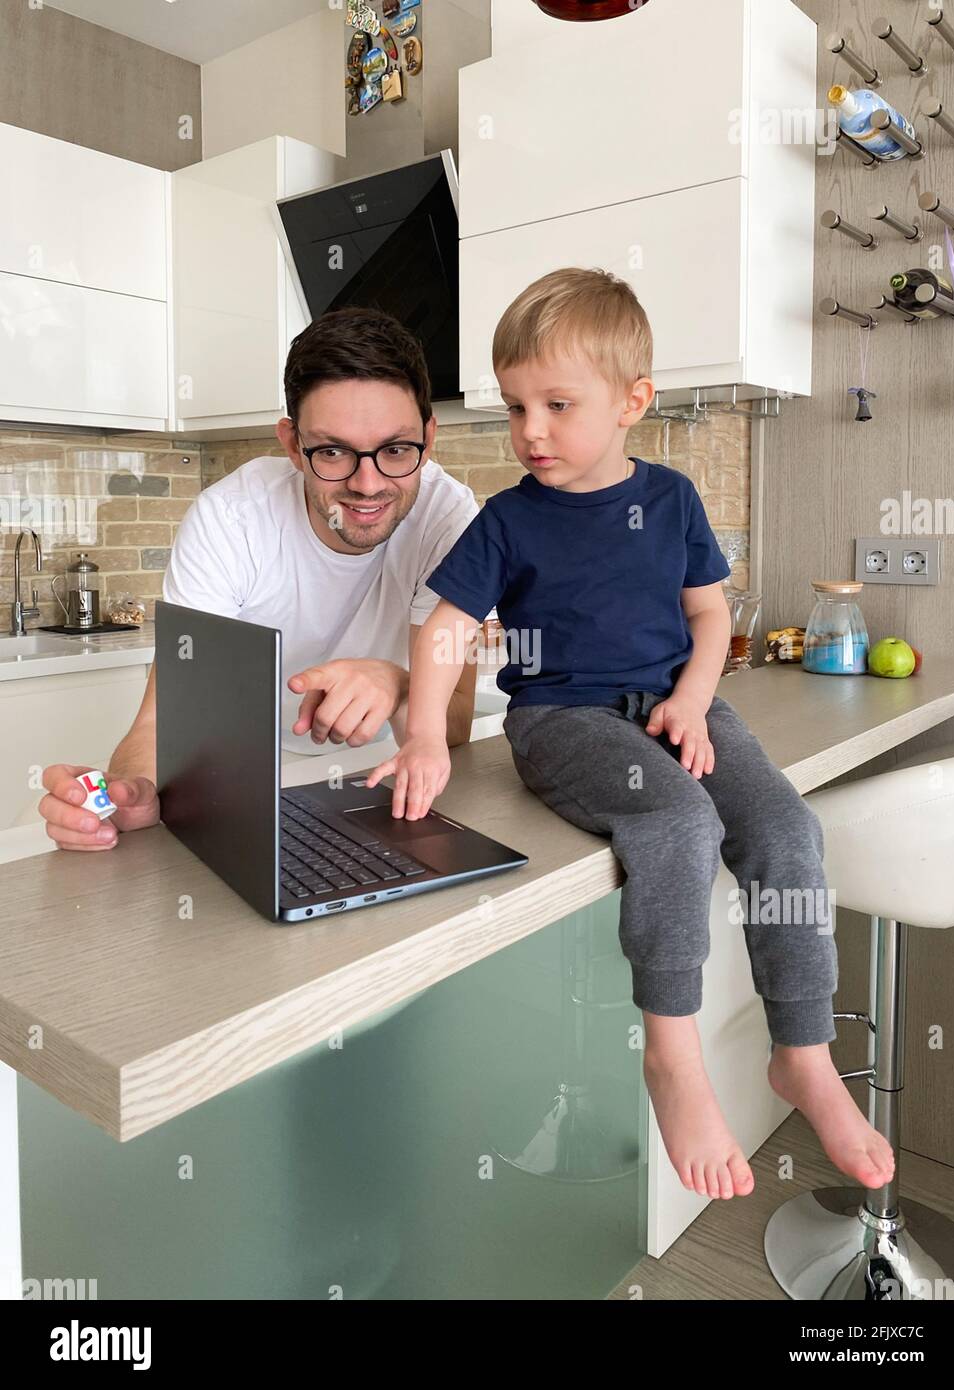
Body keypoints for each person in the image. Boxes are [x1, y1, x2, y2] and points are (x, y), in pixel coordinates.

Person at [364, 267, 896, 1202]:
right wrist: (425, 737)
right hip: (563, 720)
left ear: (631, 402)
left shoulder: (675, 499)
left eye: (557, 404)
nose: (530, 430)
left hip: (677, 704)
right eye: (517, 404)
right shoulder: (507, 520)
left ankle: (803, 1052)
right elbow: (444, 623)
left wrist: (694, 701)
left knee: (783, 828)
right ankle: (672, 1056)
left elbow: (708, 618)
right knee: (680, 826)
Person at [38, 306, 488, 850]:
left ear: (429, 438)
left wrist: (396, 682)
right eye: (332, 451)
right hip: (248, 776)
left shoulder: (450, 519)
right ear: (293, 445)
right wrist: (134, 790)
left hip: (392, 766)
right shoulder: (230, 520)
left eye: (395, 450)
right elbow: (164, 720)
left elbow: (455, 721)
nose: (367, 484)